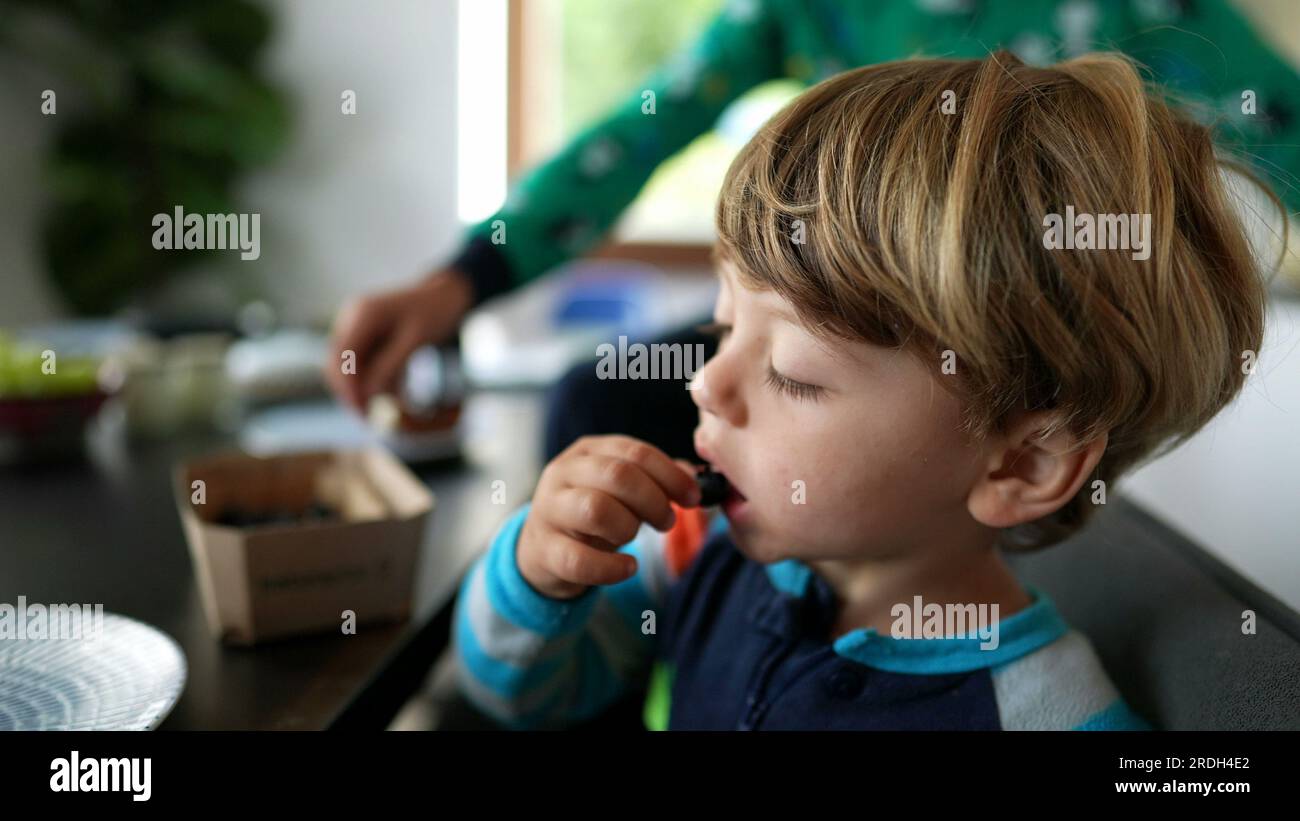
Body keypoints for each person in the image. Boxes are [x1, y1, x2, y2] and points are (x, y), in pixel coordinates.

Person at [451, 50, 1277, 729]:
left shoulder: (1045, 715)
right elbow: (522, 694)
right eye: (724, 327)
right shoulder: (687, 550)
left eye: (793, 374)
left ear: (1021, 465)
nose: (705, 382)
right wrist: (536, 578)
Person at [326, 0, 1300, 464]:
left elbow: (1281, 120)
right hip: (850, 323)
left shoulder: (1140, 11)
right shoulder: (804, 9)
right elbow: (631, 135)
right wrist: (462, 276)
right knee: (596, 403)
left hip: (1017, 350)